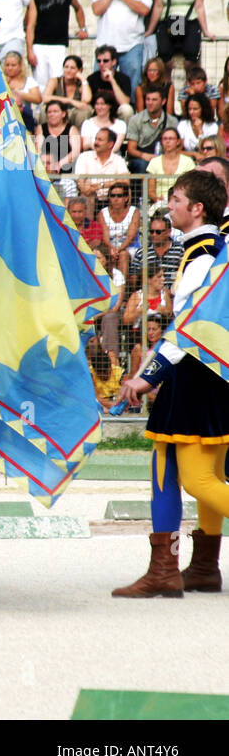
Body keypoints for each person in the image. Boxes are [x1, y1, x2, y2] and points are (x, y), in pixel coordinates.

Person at [115, 170, 229, 597]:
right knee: (203, 472)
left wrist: (148, 376)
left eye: (177, 198)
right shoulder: (206, 249)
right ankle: (201, 567)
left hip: (197, 377)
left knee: (193, 479)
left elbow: (189, 328)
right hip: (208, 376)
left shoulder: (203, 254)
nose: (170, 204)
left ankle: (165, 570)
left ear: (197, 208)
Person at [92, 0, 153, 94]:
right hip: (105, 45)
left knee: (132, 85)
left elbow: (144, 9)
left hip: (130, 45)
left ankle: (131, 112)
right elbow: (96, 9)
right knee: (100, 84)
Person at [125, 88, 179, 176]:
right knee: (143, 165)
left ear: (163, 101)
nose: (150, 103)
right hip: (142, 157)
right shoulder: (135, 120)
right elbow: (131, 149)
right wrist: (144, 156)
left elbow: (177, 146)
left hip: (165, 156)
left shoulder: (172, 121)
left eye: (154, 100)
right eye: (148, 99)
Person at [147, 127, 195, 204]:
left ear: (178, 141)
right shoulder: (154, 162)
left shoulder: (188, 161)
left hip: (181, 202)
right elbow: (150, 190)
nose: (167, 141)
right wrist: (157, 198)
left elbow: (191, 187)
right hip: (160, 203)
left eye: (171, 138)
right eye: (165, 139)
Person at [43, 54, 92, 128]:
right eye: (66, 67)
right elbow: (45, 98)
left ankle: (78, 137)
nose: (68, 70)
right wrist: (69, 101)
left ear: (79, 70)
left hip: (74, 113)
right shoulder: (55, 81)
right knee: (44, 109)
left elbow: (86, 101)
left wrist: (83, 79)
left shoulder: (81, 84)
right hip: (58, 111)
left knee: (85, 111)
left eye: (72, 68)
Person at [37, 100, 81, 178]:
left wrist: (59, 164)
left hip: (66, 168)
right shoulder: (41, 128)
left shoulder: (72, 129)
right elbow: (38, 150)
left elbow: (76, 152)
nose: (52, 114)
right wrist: (47, 166)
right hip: (45, 168)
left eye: (55, 111)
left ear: (63, 114)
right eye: (49, 112)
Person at [2, 51, 42, 129]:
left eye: (13, 65)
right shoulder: (1, 80)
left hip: (25, 117)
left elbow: (38, 99)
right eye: (7, 65)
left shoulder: (29, 81)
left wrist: (18, 93)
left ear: (20, 66)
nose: (9, 68)